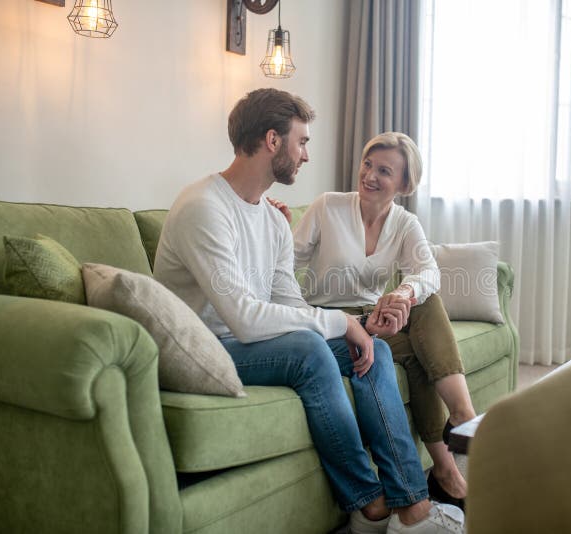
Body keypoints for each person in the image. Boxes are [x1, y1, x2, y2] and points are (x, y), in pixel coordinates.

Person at [153, 89, 463, 534]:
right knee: (310, 351)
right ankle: (369, 503)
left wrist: (356, 329)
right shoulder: (204, 206)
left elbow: (287, 302)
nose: (306, 155)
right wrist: (340, 321)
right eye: (302, 142)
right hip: (208, 345)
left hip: (250, 339)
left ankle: (412, 506)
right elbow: (243, 317)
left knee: (371, 349)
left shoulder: (272, 219)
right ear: (272, 140)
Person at [286, 132, 477, 509]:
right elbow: (286, 264)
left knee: (424, 300)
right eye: (368, 164)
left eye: (384, 171)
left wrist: (402, 294)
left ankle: (460, 420)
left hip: (374, 323)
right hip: (330, 324)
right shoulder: (328, 207)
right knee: (420, 348)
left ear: (404, 184)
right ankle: (451, 458)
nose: (370, 175)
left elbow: (428, 272)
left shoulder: (405, 223)